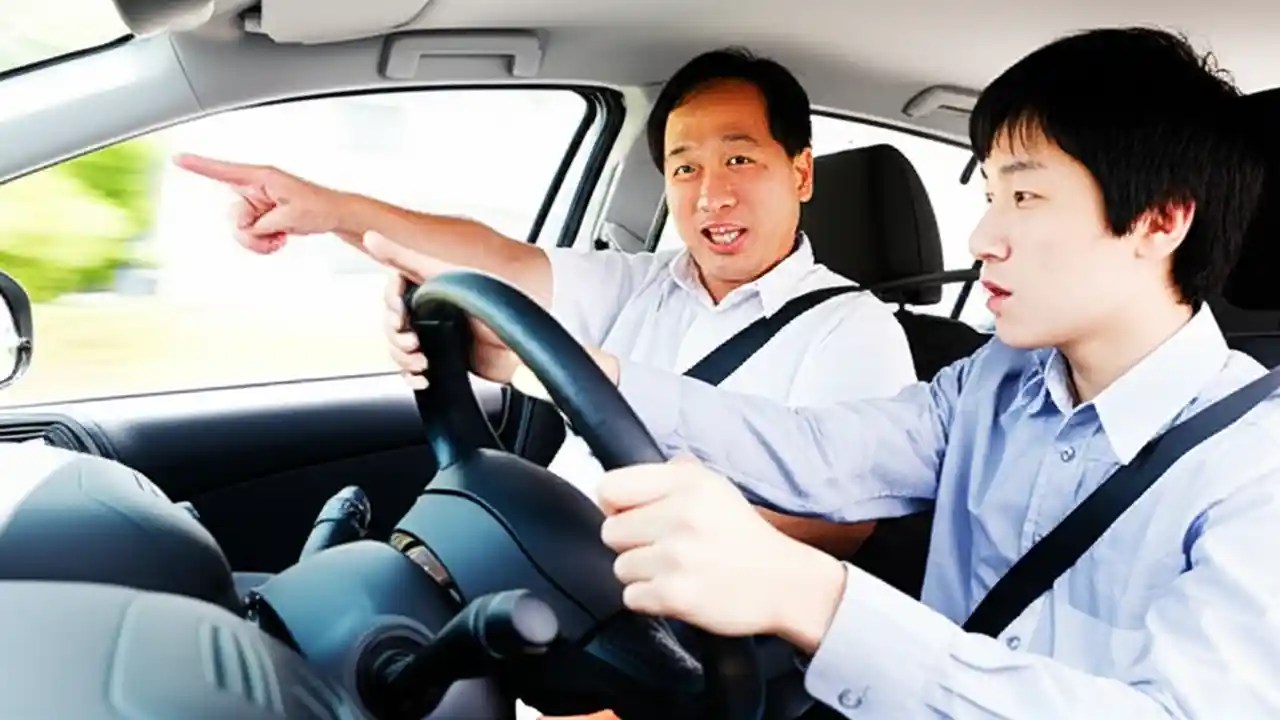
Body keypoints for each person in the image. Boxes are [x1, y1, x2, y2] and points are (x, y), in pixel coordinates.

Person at [576, 27, 1276, 717]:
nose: (980, 241)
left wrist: (815, 599)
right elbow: (817, 453)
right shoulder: (993, 383)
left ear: (1158, 221)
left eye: (1025, 198)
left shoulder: (1255, 469)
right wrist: (584, 375)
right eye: (989, 197)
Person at [174, 48, 919, 558]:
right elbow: (496, 260)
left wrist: (628, 551)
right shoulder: (642, 283)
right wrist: (328, 209)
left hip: (674, 627)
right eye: (684, 167)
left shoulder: (854, 331)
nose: (710, 192)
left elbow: (834, 527)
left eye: (739, 159)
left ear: (801, 173)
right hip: (539, 564)